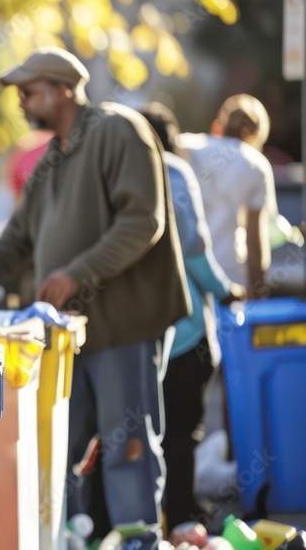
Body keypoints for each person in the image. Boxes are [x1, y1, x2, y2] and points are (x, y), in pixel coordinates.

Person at [0, 48, 189, 537]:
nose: (20, 104)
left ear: (61, 90)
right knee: (62, 446)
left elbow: (144, 221)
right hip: (71, 334)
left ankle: (139, 542)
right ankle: (73, 539)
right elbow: (18, 238)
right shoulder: (51, 156)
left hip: (125, 325)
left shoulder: (120, 130)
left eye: (27, 92)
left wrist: (76, 273)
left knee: (129, 445)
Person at [140, 103, 244, 530]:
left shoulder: (114, 173)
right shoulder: (175, 172)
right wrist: (228, 291)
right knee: (183, 430)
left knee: (141, 431)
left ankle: (142, 518)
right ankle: (180, 517)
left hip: (137, 332)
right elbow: (197, 255)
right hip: (186, 333)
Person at [177, 94, 277, 295]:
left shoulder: (186, 145)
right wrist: (258, 290)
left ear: (219, 124)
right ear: (256, 134)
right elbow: (255, 240)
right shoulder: (256, 165)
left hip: (185, 275)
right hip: (231, 278)